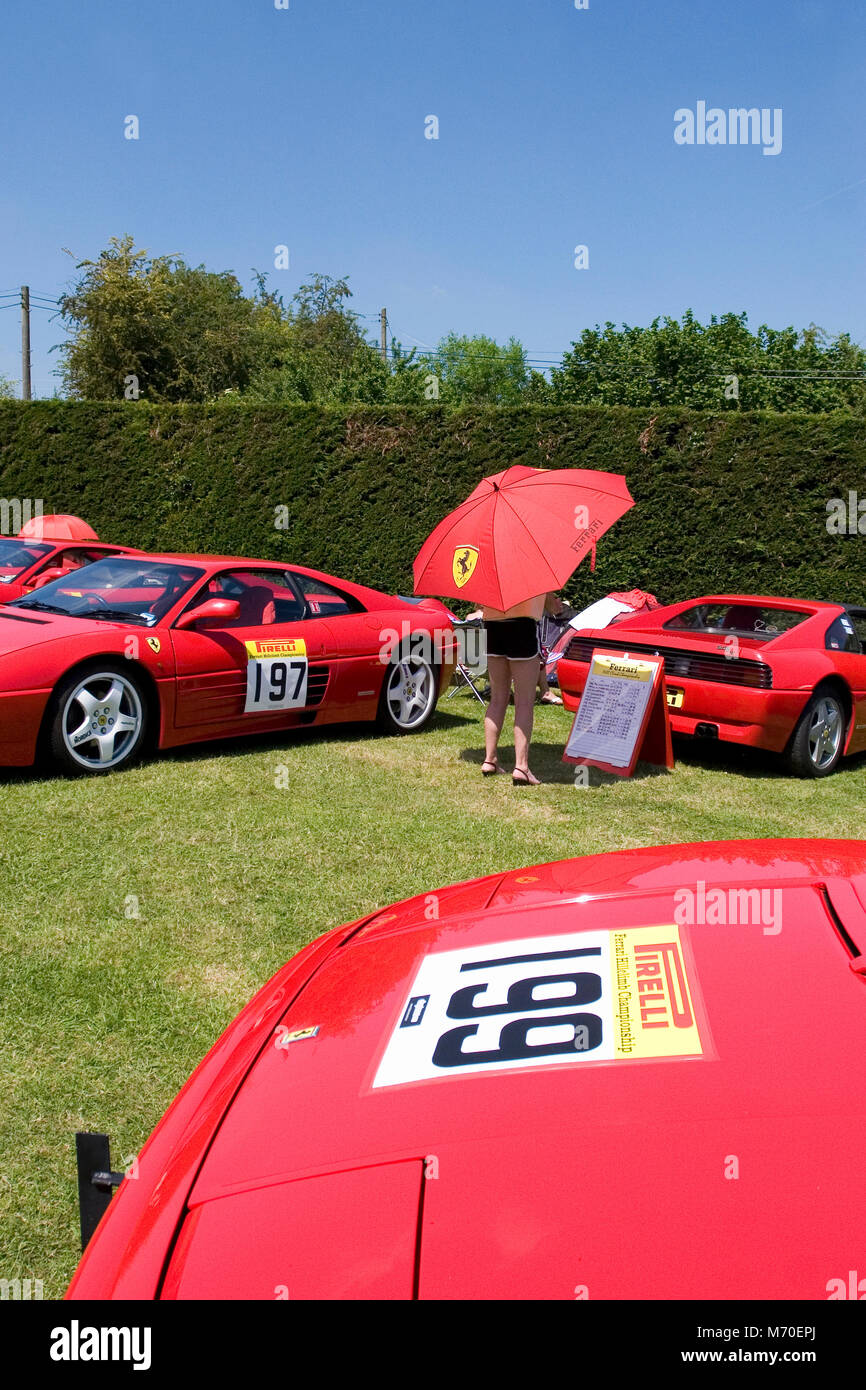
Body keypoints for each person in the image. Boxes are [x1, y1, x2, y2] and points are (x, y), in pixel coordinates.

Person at [480, 593, 550, 785]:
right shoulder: (533, 565)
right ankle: (521, 767)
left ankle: (490, 759)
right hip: (523, 624)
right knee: (524, 702)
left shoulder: (491, 565)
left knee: (497, 699)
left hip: (493, 624)